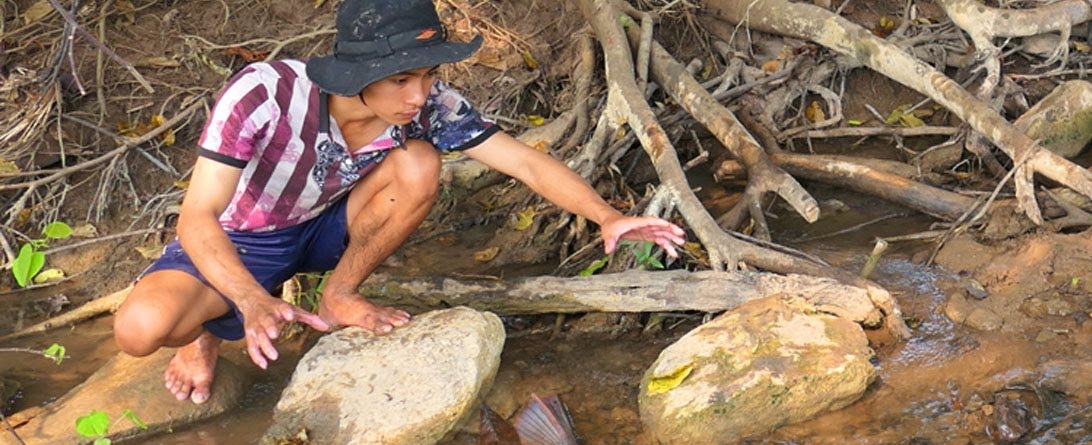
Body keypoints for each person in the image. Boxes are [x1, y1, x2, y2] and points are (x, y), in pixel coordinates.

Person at [113, 0, 684, 404]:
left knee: (419, 161)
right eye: (402, 81)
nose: (420, 96)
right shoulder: (265, 93)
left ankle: (339, 294)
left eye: (429, 76)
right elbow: (197, 215)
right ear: (359, 73)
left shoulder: (430, 105)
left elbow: (526, 161)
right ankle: (202, 338)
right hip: (243, 240)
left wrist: (607, 217)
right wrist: (250, 300)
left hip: (327, 224)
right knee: (138, 329)